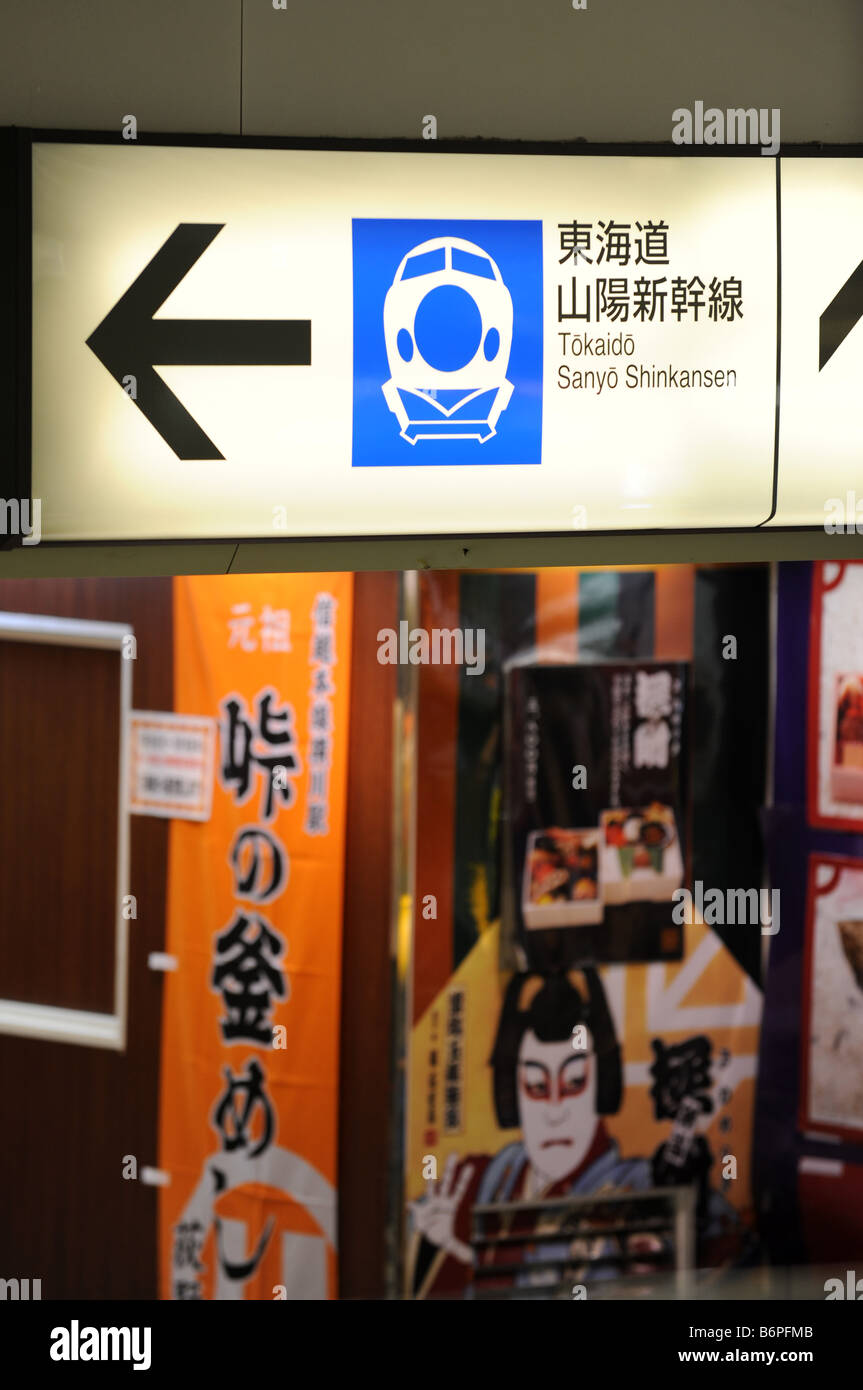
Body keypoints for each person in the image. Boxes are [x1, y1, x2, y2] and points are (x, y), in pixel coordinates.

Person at [408, 968, 735, 1298]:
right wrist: (437, 1246)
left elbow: (735, 1256)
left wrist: (694, 1212)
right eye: (537, 1086)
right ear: (510, 1097)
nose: (555, 1109)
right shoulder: (482, 1179)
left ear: (602, 1089)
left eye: (575, 1082)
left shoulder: (641, 1184)